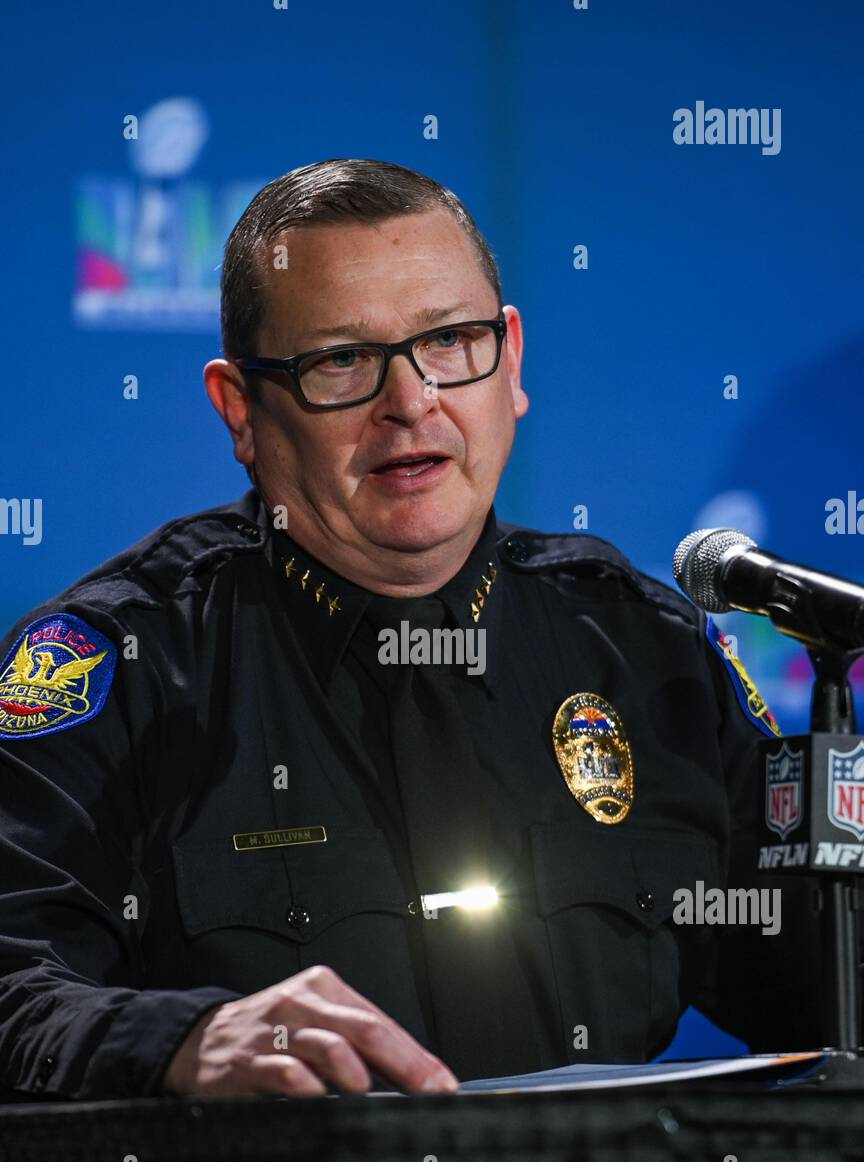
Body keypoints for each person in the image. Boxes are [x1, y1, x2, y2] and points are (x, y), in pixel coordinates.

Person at [0, 158, 821, 1102]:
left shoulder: (643, 649)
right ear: (242, 411)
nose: (412, 401)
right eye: (340, 361)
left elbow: (820, 984)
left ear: (509, 362)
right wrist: (184, 1040)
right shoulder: (129, 663)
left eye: (449, 340)